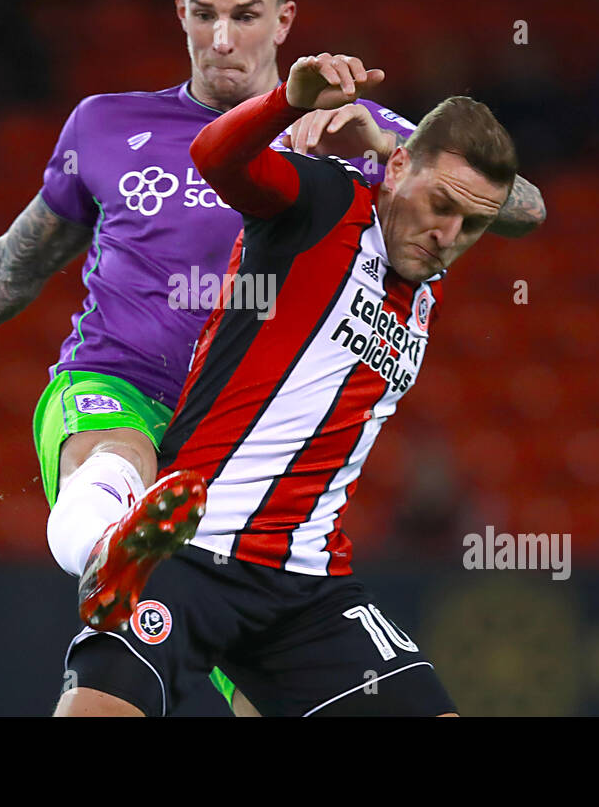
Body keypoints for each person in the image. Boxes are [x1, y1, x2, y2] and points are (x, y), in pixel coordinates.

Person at [0, 0, 544, 715]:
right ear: (178, 12)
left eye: (244, 16)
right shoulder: (107, 126)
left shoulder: (356, 142)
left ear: (284, 19)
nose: (220, 39)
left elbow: (514, 202)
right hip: (118, 382)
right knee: (116, 464)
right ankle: (114, 551)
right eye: (202, 13)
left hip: (228, 461)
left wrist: (389, 138)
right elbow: (10, 267)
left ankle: (138, 556)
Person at [56, 52, 523, 717]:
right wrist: (290, 100)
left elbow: (526, 208)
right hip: (189, 543)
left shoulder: (425, 280)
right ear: (396, 172)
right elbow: (216, 155)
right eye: (439, 204)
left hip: (306, 582)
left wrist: (391, 135)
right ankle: (110, 555)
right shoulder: (328, 203)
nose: (448, 233)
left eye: (472, 225)